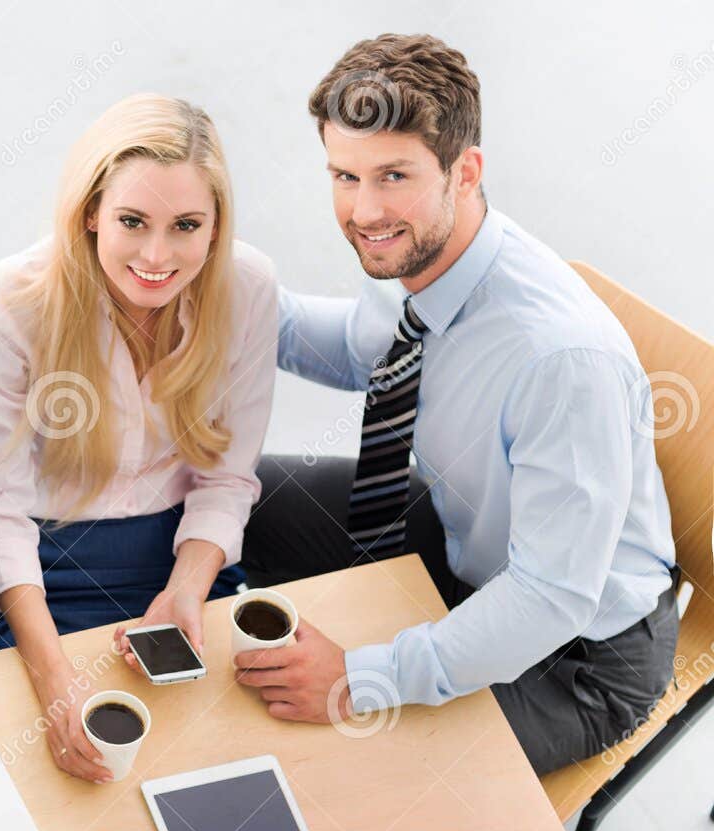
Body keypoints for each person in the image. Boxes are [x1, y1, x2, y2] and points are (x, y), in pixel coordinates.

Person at [237, 34, 678, 774]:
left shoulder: (561, 360)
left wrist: (360, 678)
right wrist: (226, 298)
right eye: (344, 175)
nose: (364, 210)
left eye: (393, 175)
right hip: (462, 537)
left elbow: (548, 597)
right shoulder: (415, 254)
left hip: (579, 656)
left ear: (464, 171)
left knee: (363, 767)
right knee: (239, 500)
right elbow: (362, 351)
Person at [0, 94, 276, 784]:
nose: (157, 256)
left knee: (221, 761)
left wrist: (188, 585)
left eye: (186, 225)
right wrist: (53, 678)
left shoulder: (248, 289)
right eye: (133, 221)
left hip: (179, 556)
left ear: (216, 228)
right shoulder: (9, 306)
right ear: (92, 211)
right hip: (40, 574)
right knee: (53, 770)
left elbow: (226, 478)